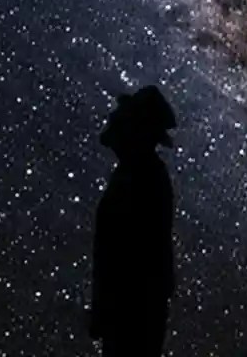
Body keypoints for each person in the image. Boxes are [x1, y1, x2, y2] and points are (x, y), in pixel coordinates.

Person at [88, 85, 177, 357]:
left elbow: (130, 258)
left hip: (132, 315)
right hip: (132, 314)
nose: (112, 117)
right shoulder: (140, 174)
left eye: (120, 116)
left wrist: (106, 307)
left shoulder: (142, 179)